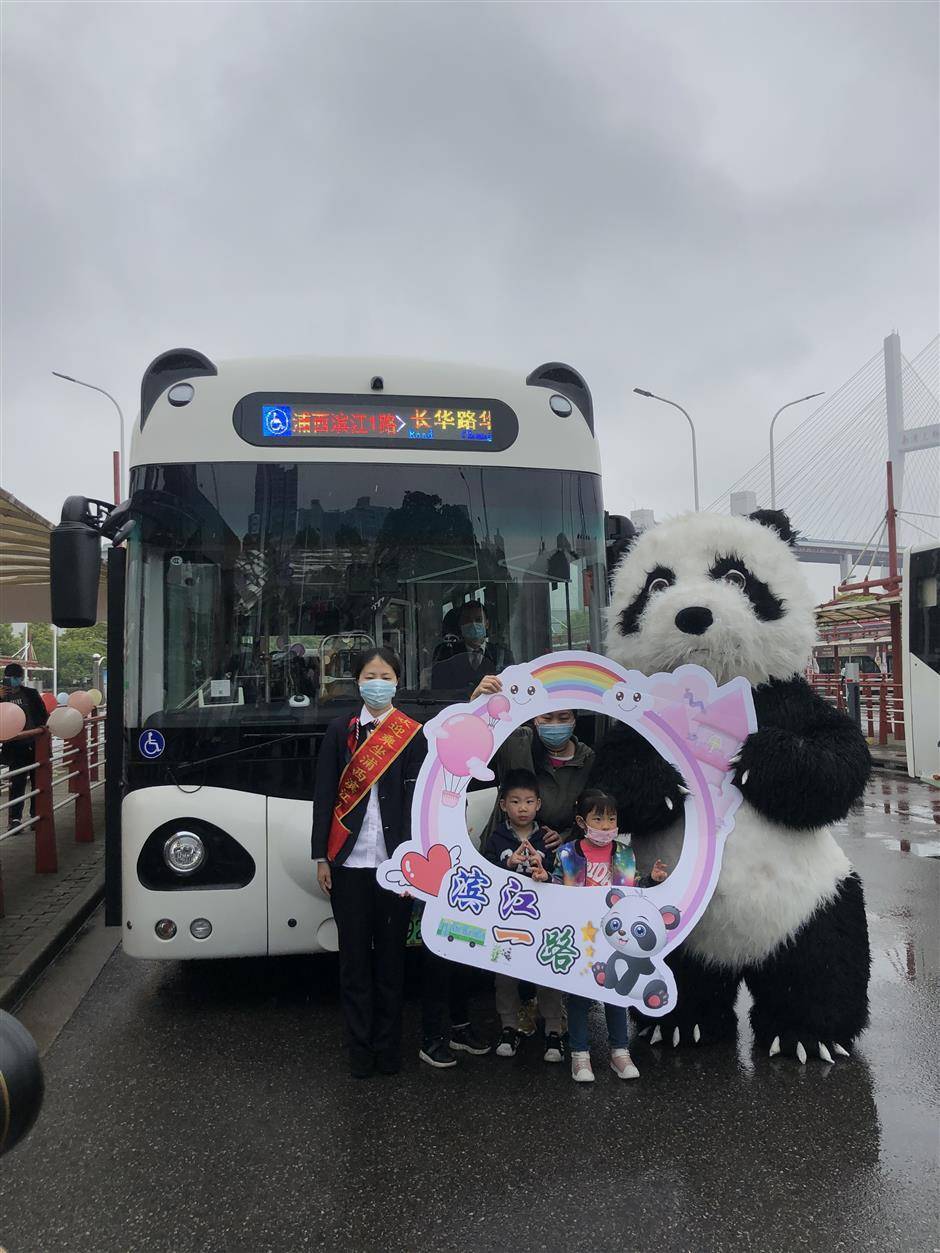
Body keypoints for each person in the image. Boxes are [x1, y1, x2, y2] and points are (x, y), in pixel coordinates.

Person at [311, 647, 425, 1078]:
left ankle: (388, 1049)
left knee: (392, 962)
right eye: (370, 674)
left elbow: (421, 800)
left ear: (398, 681)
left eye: (387, 675)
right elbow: (324, 794)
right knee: (354, 962)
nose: (378, 682)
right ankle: (359, 1051)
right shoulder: (341, 730)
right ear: (357, 681)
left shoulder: (412, 733)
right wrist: (321, 855)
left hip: (394, 863)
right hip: (347, 863)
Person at [552, 789, 669, 1083]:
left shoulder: (624, 853)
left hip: (618, 936)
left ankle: (620, 1052)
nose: (605, 826)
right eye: (598, 818)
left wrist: (650, 880)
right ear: (582, 821)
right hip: (580, 934)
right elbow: (554, 889)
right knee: (579, 995)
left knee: (617, 993)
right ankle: (580, 1055)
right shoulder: (567, 854)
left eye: (611, 819)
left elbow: (632, 890)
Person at [483, 769, 565, 1063]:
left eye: (529, 802)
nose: (522, 808)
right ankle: (508, 1027)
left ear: (539, 805)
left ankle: (554, 1030)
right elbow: (485, 877)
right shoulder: (495, 838)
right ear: (503, 804)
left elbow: (562, 876)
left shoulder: (548, 839)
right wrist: (507, 867)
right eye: (515, 801)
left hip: (543, 919)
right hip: (508, 921)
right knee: (505, 973)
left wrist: (545, 874)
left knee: (548, 970)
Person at [1, 664, 49, 832]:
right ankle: (15, 819)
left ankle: (36, 816)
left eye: (17, 677)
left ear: (21, 678)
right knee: (17, 783)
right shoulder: (1, 696)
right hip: (15, 747)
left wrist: (39, 729)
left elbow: (43, 715)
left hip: (34, 743)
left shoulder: (30, 694)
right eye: (10, 677)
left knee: (38, 782)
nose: (14, 680)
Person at [430, 602, 514, 698]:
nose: (473, 624)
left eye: (478, 620)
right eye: (467, 620)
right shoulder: (446, 653)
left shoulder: (502, 655)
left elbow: (511, 689)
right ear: (460, 624)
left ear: (486, 623)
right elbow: (439, 691)